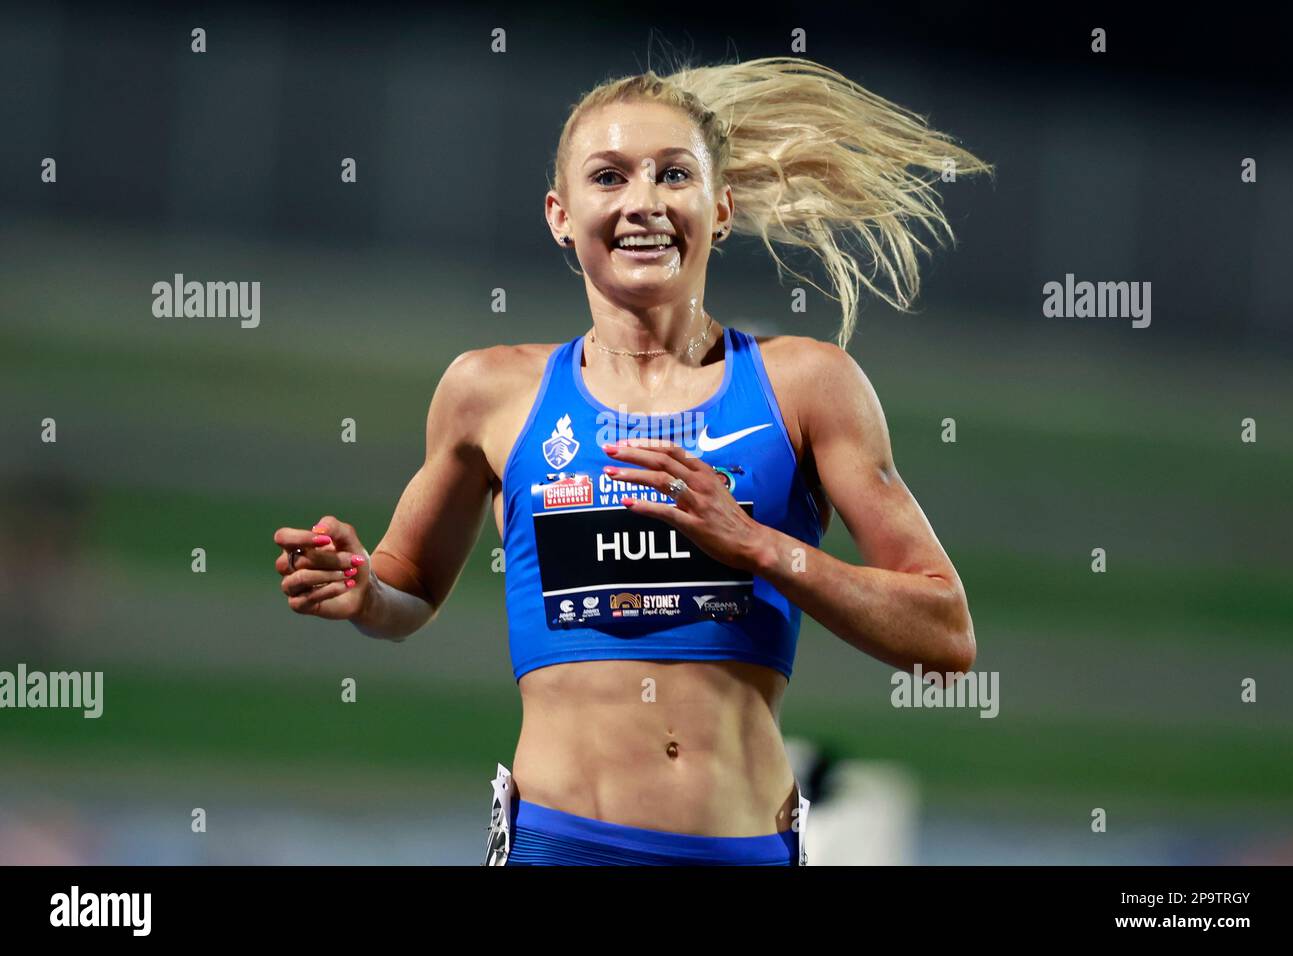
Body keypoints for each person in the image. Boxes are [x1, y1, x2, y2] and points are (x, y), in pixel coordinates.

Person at [273, 56, 988, 865]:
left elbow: (946, 633)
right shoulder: (489, 392)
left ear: (719, 208)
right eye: (609, 177)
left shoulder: (807, 387)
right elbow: (408, 589)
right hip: (560, 846)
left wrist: (759, 546)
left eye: (672, 174)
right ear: (559, 213)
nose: (642, 202)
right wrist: (365, 592)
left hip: (740, 849)